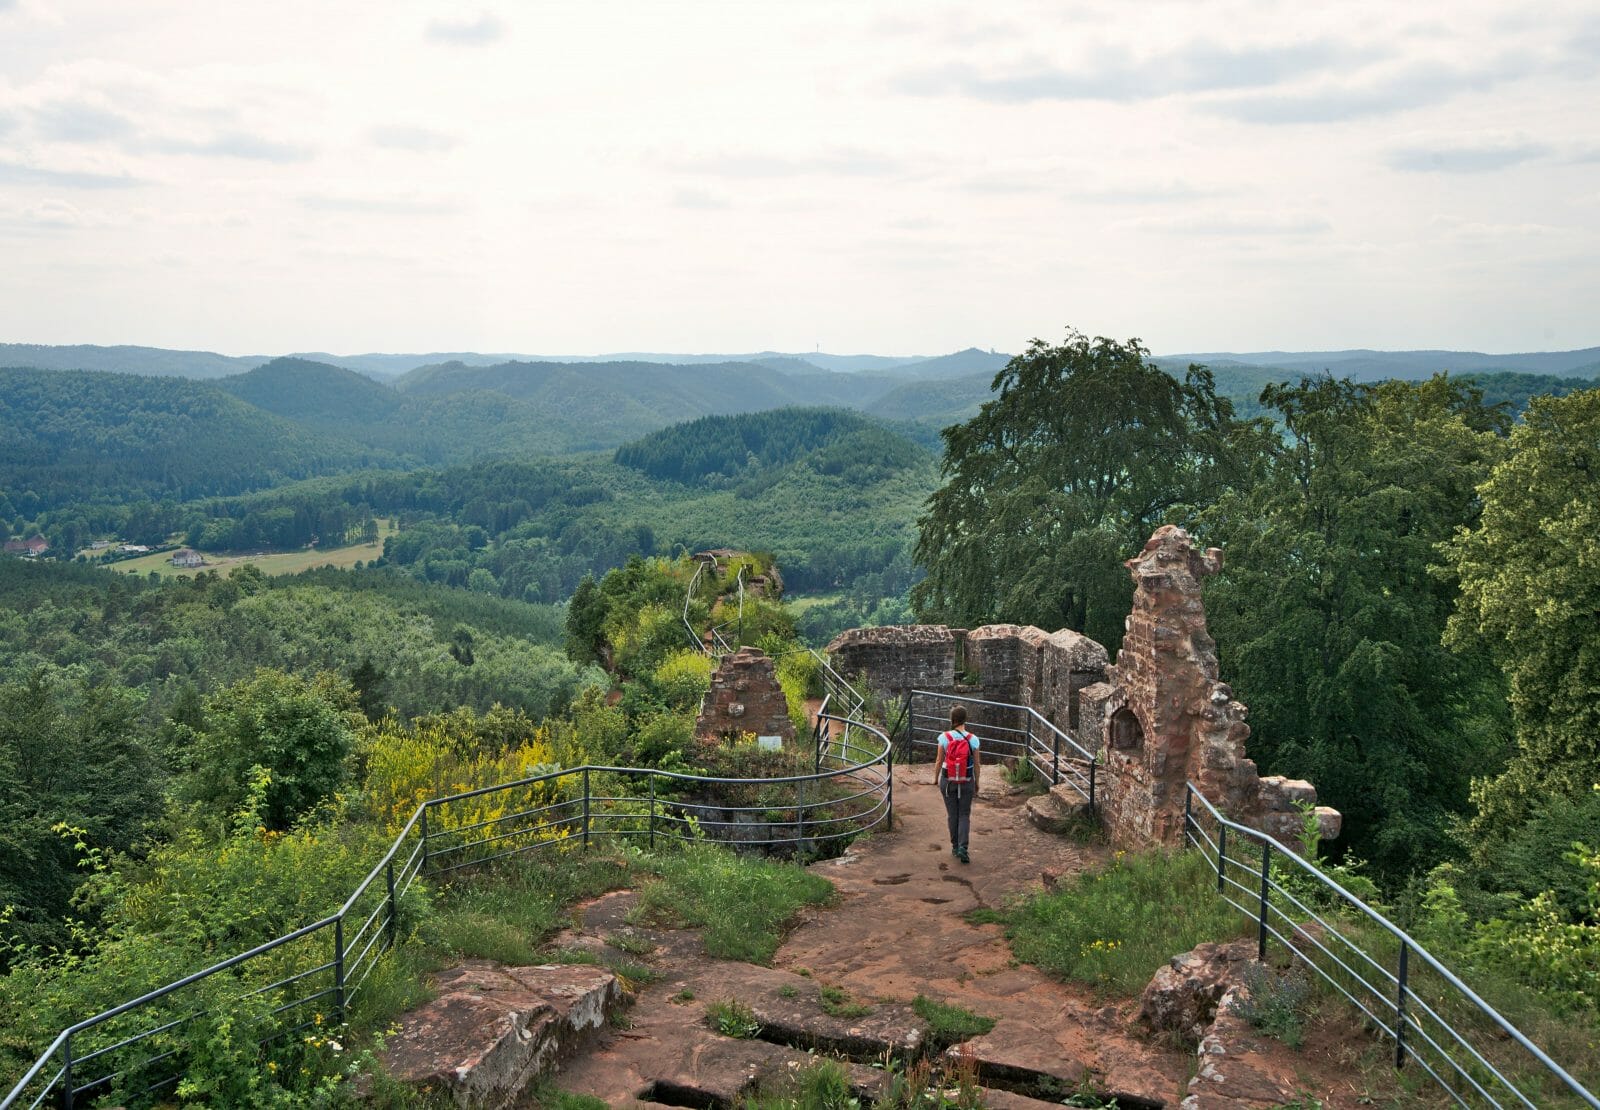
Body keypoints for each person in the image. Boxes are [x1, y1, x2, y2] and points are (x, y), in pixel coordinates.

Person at [936, 705, 980, 864]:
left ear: (952, 719)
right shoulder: (973, 739)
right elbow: (976, 765)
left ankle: (955, 847)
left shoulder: (944, 737)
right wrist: (977, 783)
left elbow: (939, 761)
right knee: (964, 815)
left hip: (948, 781)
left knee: (952, 815)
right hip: (967, 780)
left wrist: (935, 778)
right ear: (965, 719)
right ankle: (963, 847)